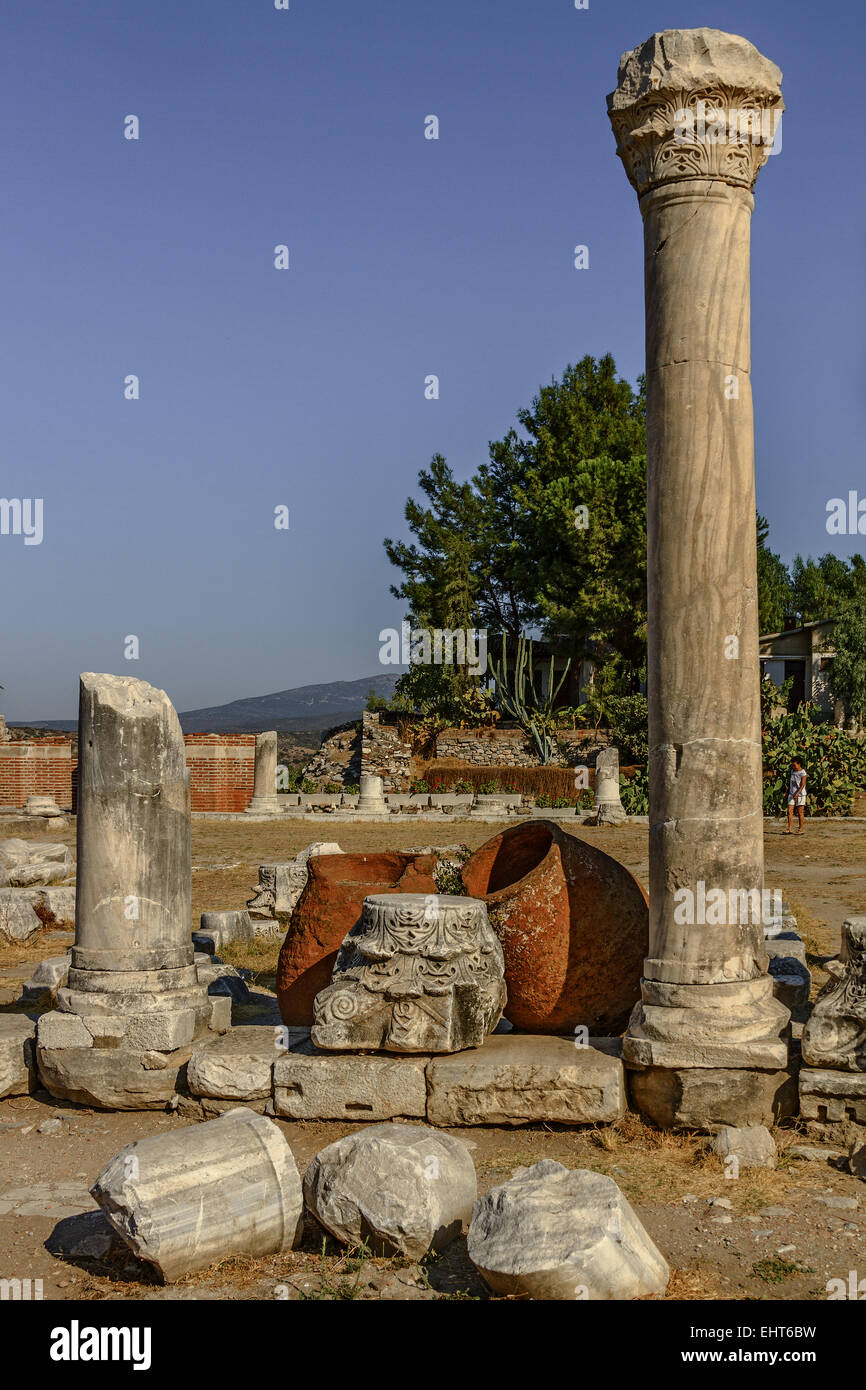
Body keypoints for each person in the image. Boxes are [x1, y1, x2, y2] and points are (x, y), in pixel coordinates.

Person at [786, 757, 807, 835]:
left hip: (800, 795)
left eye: (795, 765)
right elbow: (791, 783)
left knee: (800, 812)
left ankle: (800, 829)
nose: (793, 767)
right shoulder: (792, 771)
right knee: (789, 811)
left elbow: (802, 784)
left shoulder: (803, 773)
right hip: (791, 794)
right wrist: (787, 792)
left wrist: (797, 793)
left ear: (799, 764)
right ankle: (789, 829)